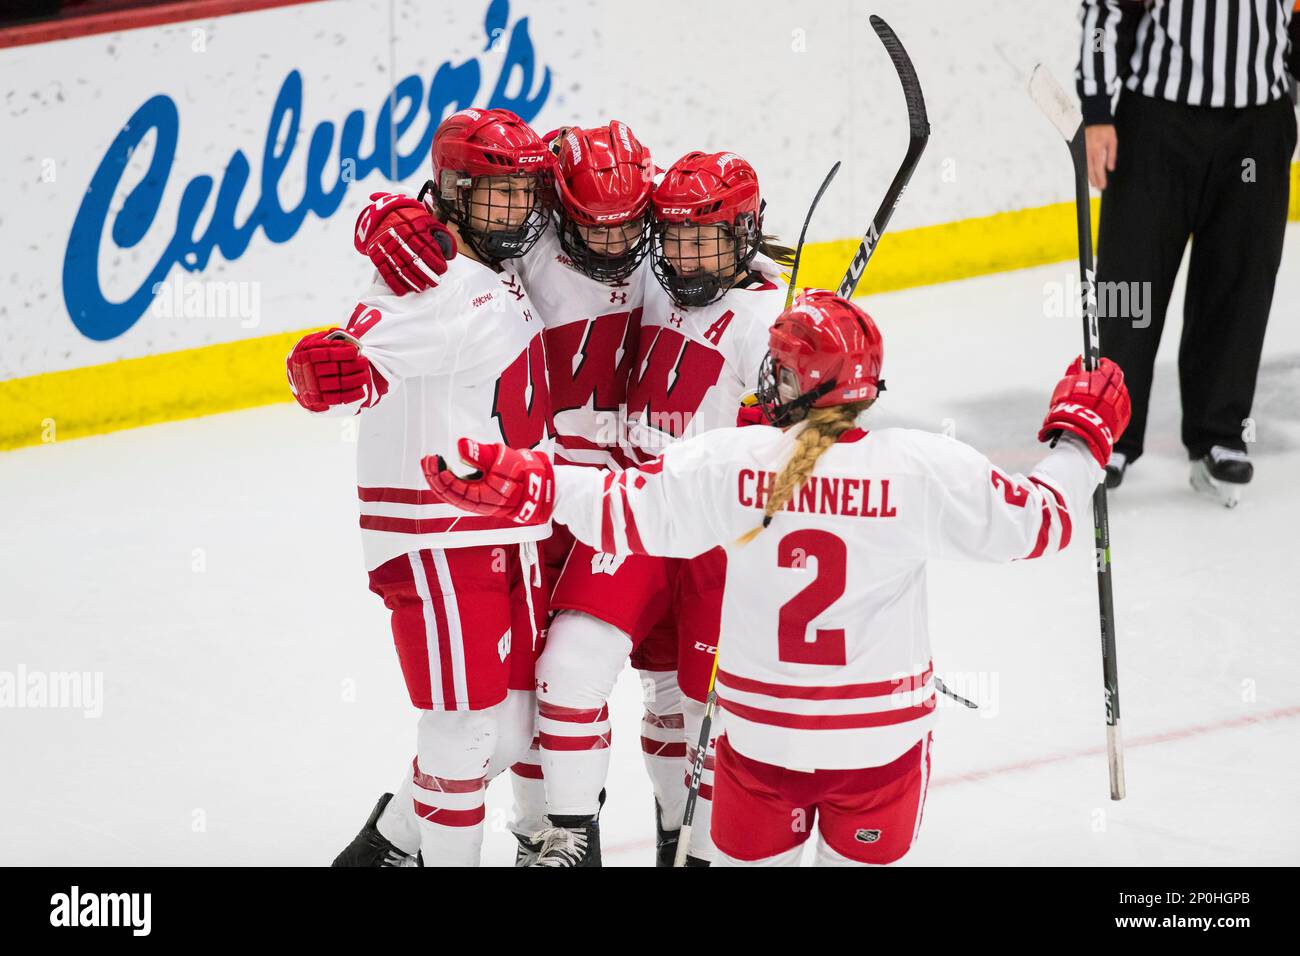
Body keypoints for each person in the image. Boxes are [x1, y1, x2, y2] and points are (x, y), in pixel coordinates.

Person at [420, 289, 1132, 866]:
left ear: (800, 381)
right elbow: (1042, 522)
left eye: (782, 369)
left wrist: (535, 480)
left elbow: (622, 508)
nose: (770, 378)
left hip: (762, 745)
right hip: (877, 749)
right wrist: (1081, 437)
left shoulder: (736, 461)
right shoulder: (919, 466)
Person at [347, 121, 690, 865]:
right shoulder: (521, 240)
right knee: (497, 714)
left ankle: (499, 840)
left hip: (597, 504)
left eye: (631, 224)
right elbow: (439, 237)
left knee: (539, 708)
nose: (613, 243)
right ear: (556, 205)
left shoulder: (669, 250)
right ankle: (520, 837)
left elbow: (713, 239)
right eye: (592, 226)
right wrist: (385, 216)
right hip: (512, 501)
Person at [286, 107, 554, 866]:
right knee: (462, 730)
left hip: (509, 530)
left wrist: (382, 207)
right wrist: (334, 370)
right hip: (435, 533)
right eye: (496, 194)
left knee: (511, 731)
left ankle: (388, 846)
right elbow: (357, 358)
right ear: (452, 190)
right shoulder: (427, 281)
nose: (517, 211)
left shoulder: (493, 267)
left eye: (524, 193)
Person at [521, 150, 793, 866]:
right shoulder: (646, 274)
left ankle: (689, 845)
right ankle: (572, 840)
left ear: (744, 234)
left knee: (696, 711)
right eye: (672, 236)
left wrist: (789, 415)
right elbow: (562, 186)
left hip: (718, 537)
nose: (684, 253)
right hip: (639, 510)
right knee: (568, 670)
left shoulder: (773, 319)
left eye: (703, 238)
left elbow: (808, 444)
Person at [1077, 0, 1297, 506]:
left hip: (1258, 124)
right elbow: (1106, 9)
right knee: (1128, 283)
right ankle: (1110, 430)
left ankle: (1219, 432)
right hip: (1157, 119)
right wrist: (1097, 109)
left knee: (1240, 281)